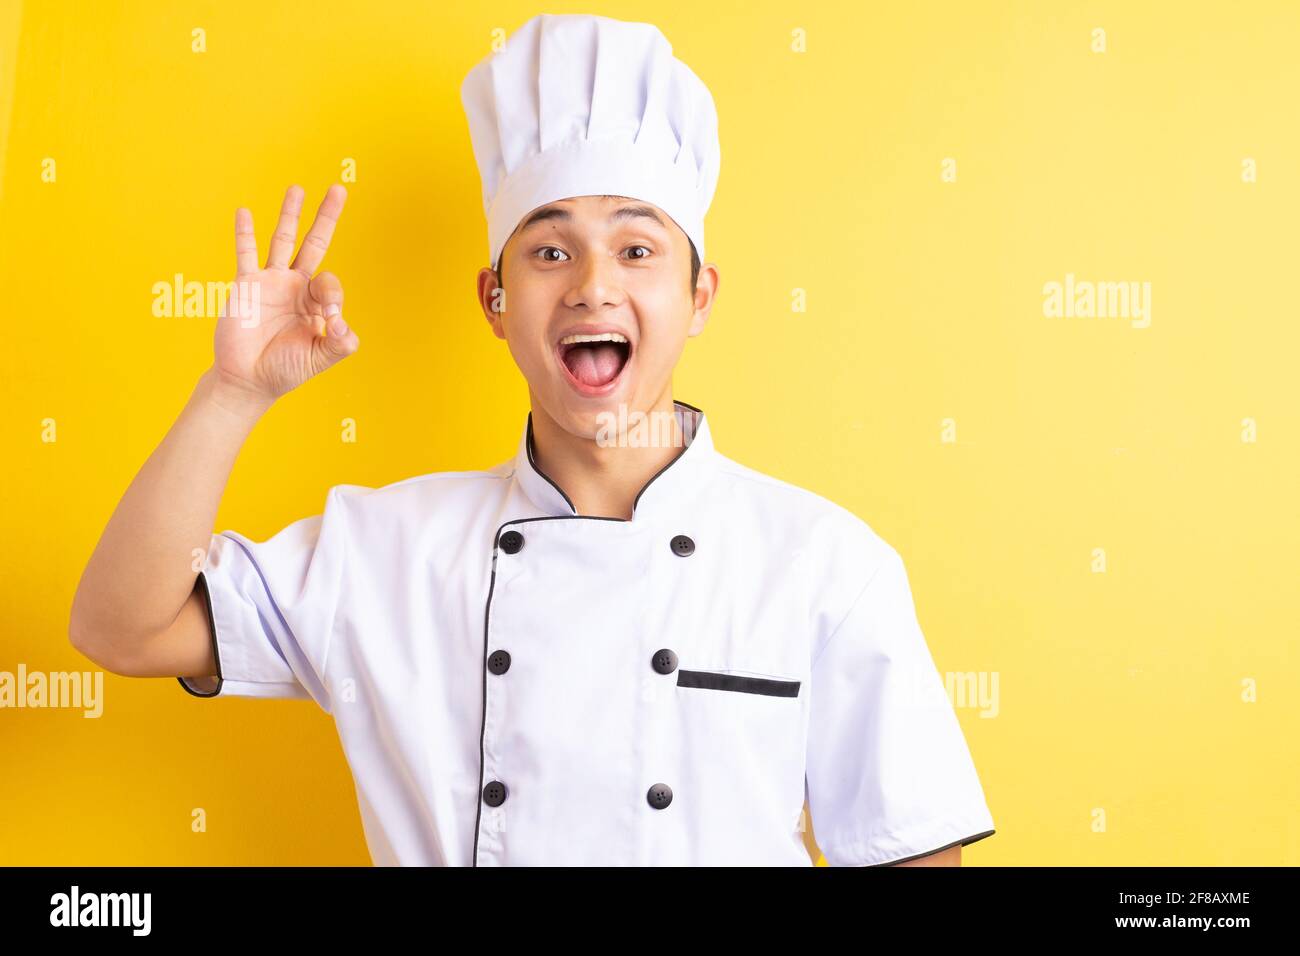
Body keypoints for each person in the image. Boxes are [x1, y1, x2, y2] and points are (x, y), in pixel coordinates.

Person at [69, 12, 995, 867]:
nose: (593, 285)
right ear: (495, 303)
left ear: (699, 296)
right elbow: (121, 627)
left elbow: (915, 855)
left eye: (638, 250)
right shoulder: (383, 551)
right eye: (550, 251)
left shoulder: (823, 565)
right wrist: (232, 396)